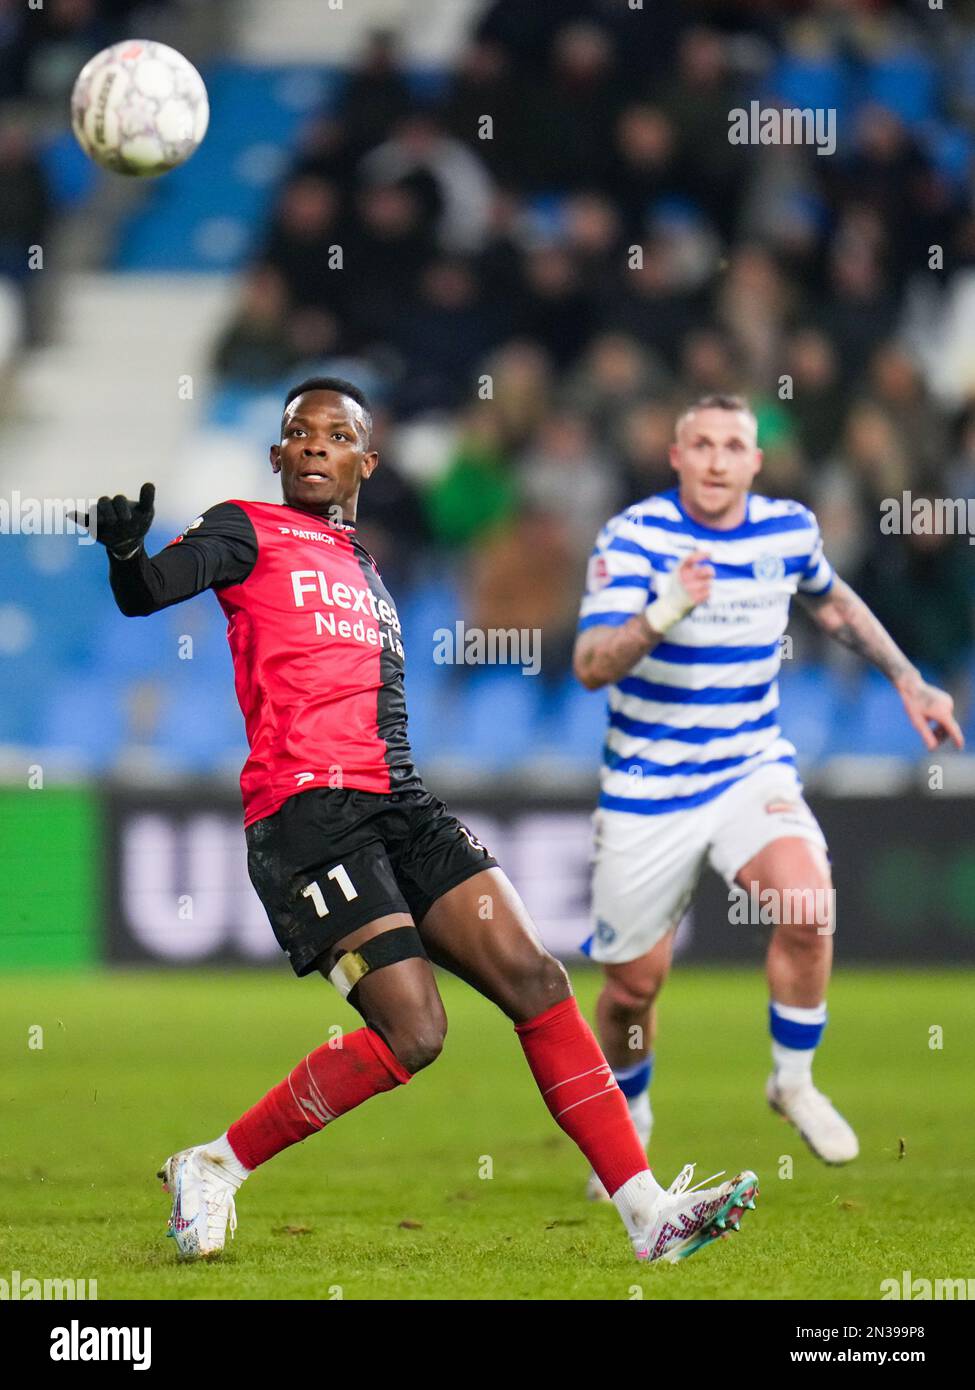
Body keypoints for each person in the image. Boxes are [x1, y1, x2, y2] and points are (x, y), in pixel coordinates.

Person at [81, 377, 759, 1266]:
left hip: (401, 804)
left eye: (336, 434)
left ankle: (646, 1215)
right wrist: (128, 556)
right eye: (298, 433)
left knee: (537, 979)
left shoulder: (366, 570)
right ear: (277, 456)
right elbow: (149, 591)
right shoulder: (246, 527)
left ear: (368, 461)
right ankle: (213, 1164)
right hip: (308, 816)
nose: (315, 444)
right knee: (416, 1033)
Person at [573, 393, 963, 1197]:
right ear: (676, 457)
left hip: (748, 766)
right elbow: (590, 664)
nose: (717, 460)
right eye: (702, 445)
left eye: (733, 446)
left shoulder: (786, 528)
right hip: (648, 786)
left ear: (756, 461)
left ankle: (791, 1079)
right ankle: (632, 1116)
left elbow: (831, 601)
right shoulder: (635, 538)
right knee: (632, 987)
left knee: (806, 905)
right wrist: (665, 610)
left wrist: (908, 680)